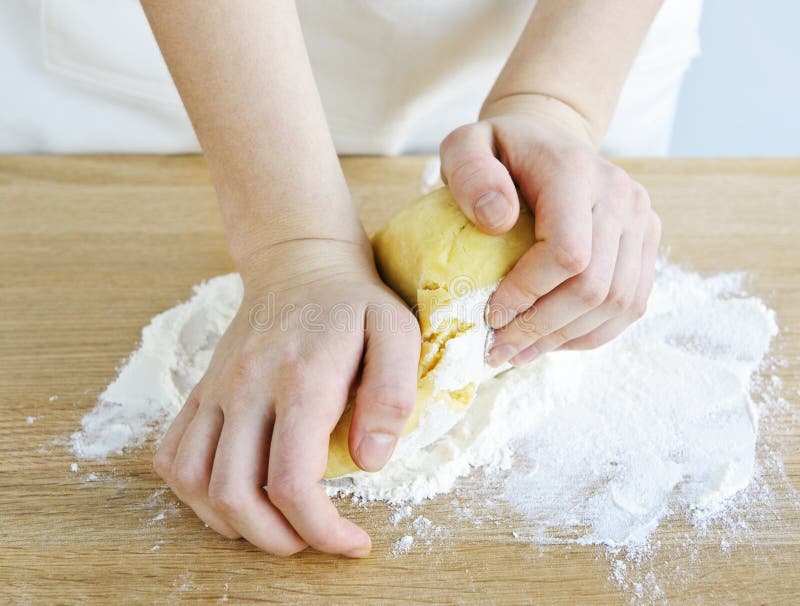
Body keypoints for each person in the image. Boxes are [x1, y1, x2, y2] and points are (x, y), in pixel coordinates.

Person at [2, 0, 702, 558]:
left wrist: (554, 105)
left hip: (573, 33)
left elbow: (559, 101)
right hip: (191, 60)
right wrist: (295, 246)